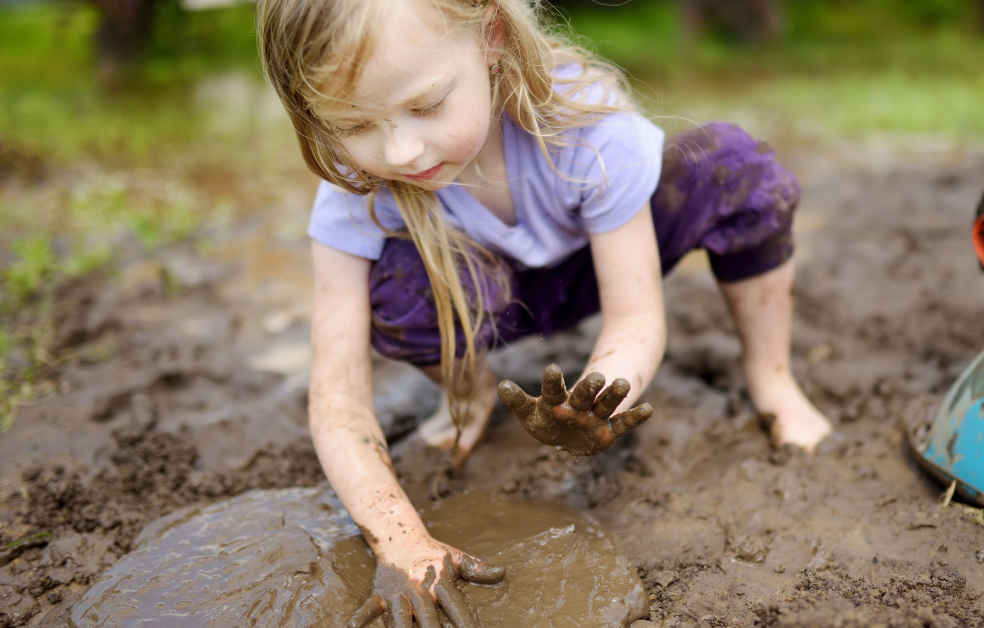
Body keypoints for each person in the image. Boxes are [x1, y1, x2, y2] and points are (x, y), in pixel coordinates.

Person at [257, 0, 832, 624]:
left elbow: (636, 319)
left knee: (737, 168)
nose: (399, 151)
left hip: (604, 259)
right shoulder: (357, 192)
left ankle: (773, 379)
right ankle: (470, 392)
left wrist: (598, 394)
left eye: (425, 107)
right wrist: (398, 538)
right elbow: (337, 394)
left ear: (492, 37)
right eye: (356, 124)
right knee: (387, 284)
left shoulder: (585, 120)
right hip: (480, 294)